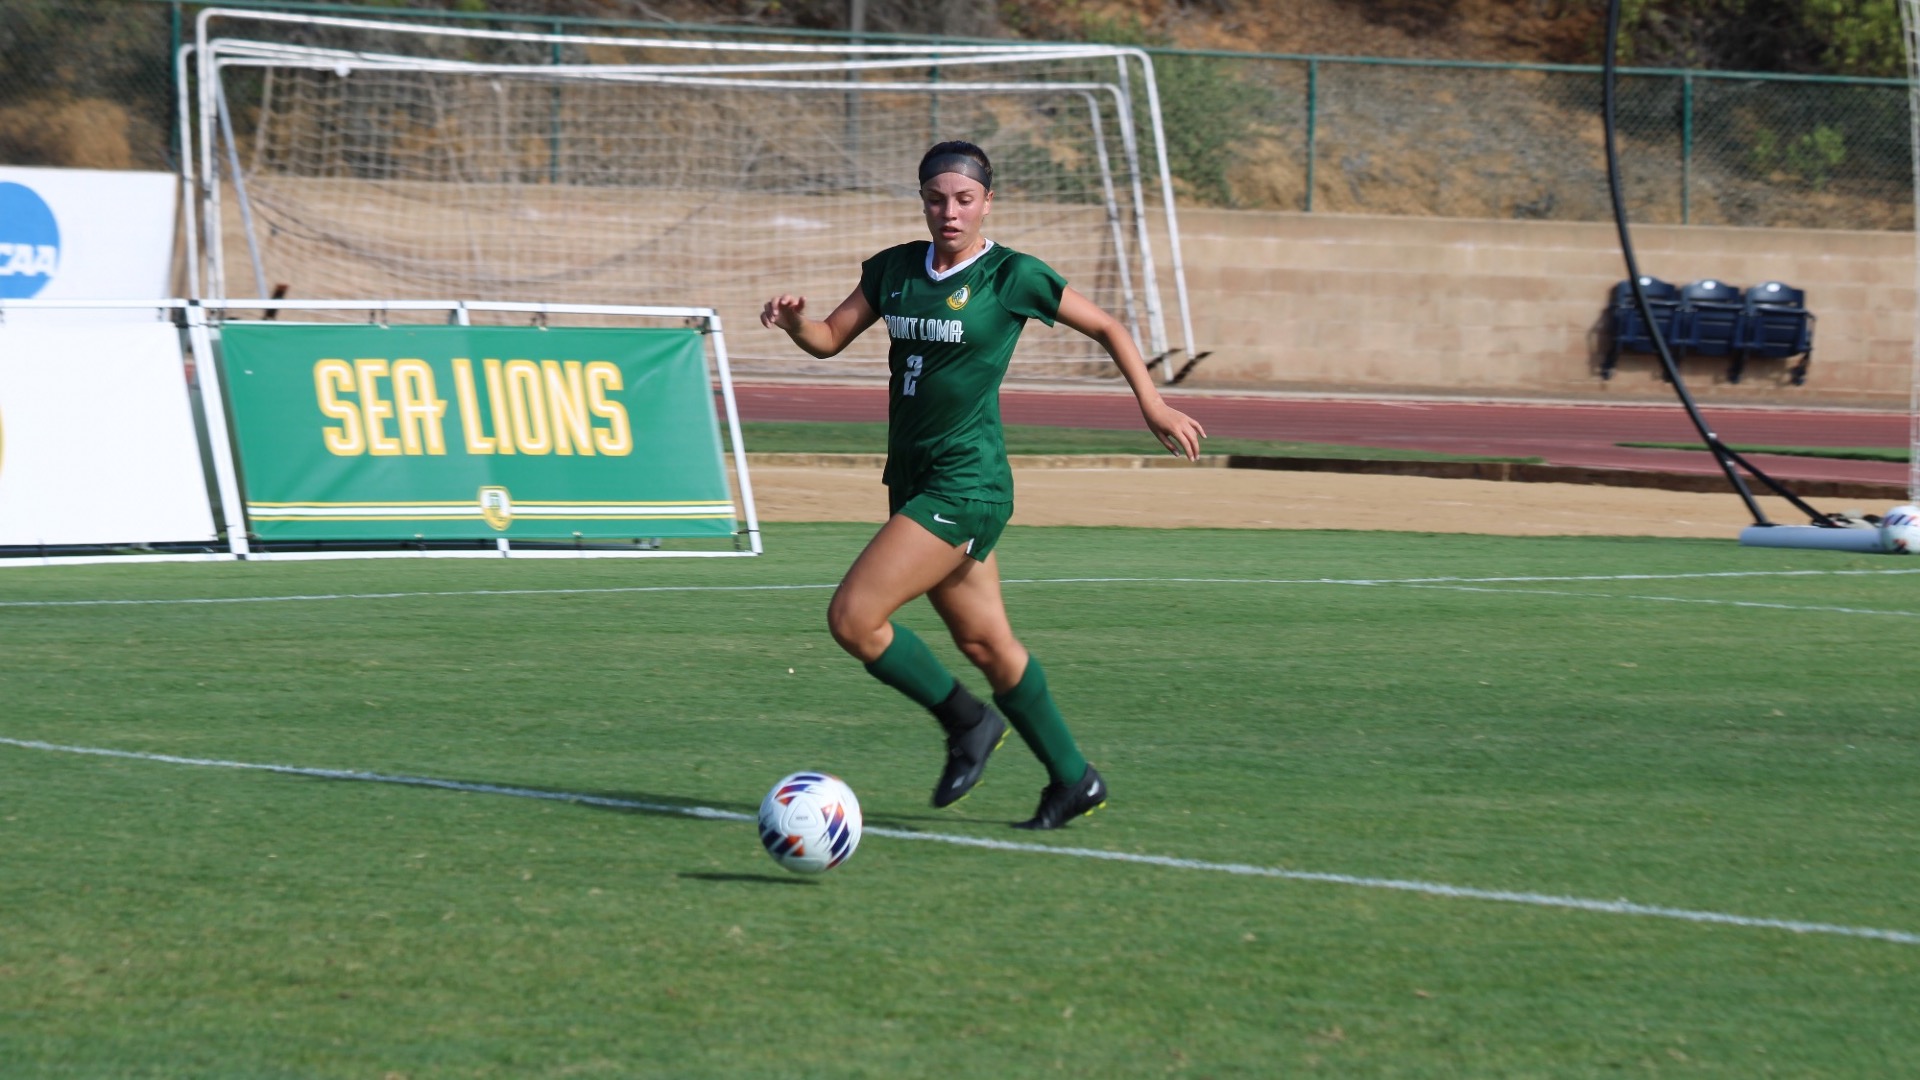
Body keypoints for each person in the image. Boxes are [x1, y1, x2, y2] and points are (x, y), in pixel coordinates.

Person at [760, 140, 1206, 830]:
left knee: (854, 618)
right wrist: (795, 324)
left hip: (967, 483)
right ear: (923, 201)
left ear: (987, 202)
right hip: (912, 479)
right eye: (937, 198)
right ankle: (1074, 779)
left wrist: (1150, 402)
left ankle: (967, 722)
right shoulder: (896, 269)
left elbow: (1107, 325)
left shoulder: (1010, 275)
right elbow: (828, 339)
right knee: (987, 645)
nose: (950, 211)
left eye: (964, 199)